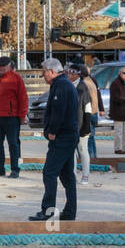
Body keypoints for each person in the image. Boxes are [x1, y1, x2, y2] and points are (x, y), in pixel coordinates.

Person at [30, 59, 79, 222]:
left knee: (49, 173)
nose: (43, 75)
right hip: (68, 135)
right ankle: (70, 211)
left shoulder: (61, 85)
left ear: (52, 71)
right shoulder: (62, 84)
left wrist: (52, 131)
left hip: (62, 137)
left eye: (44, 71)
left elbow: (58, 112)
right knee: (66, 176)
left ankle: (48, 210)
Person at [0, 56, 28, 178]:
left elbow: (23, 98)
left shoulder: (16, 78)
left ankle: (15, 169)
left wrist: (23, 115)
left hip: (12, 117)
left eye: (4, 66)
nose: (1, 68)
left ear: (9, 65)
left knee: (13, 144)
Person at [67, 63, 94, 185]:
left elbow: (88, 107)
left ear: (78, 74)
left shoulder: (83, 88)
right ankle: (72, 174)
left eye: (72, 72)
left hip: (82, 123)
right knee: (71, 151)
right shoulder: (67, 86)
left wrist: (87, 126)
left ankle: (85, 174)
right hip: (70, 124)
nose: (69, 74)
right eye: (68, 72)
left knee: (83, 150)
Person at [110, 65, 125, 153]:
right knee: (119, 130)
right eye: (124, 73)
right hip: (118, 110)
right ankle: (118, 148)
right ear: (120, 73)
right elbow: (114, 98)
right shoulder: (115, 83)